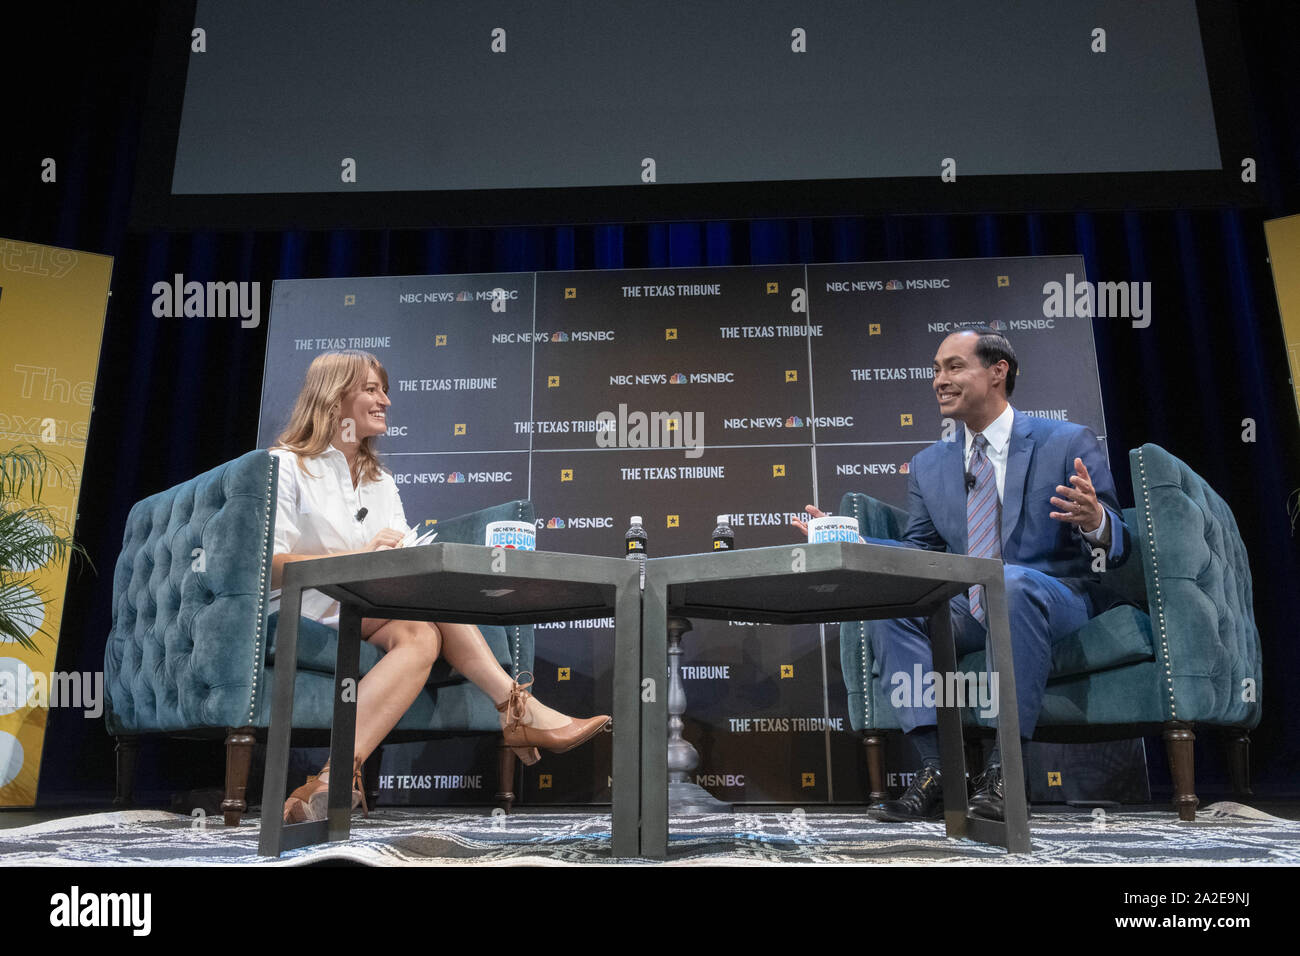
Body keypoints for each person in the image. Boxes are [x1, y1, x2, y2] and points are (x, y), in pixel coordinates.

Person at [794, 327, 1130, 822]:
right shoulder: (929, 466)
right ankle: (940, 770)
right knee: (895, 605)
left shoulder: (1064, 441)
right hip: (971, 606)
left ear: (998, 372)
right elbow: (919, 552)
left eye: (954, 367)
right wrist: (858, 544)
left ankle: (1005, 771)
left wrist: (1095, 519)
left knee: (1009, 586)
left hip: (1055, 596)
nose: (939, 381)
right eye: (935, 370)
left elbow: (1117, 540)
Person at [271, 350, 608, 823]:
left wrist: (397, 561)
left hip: (371, 603)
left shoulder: (379, 480)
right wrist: (358, 557)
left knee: (422, 632)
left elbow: (400, 548)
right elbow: (273, 567)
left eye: (384, 390)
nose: (385, 400)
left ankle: (331, 781)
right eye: (371, 389)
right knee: (423, 623)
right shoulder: (286, 466)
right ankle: (518, 709)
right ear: (333, 397)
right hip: (306, 604)